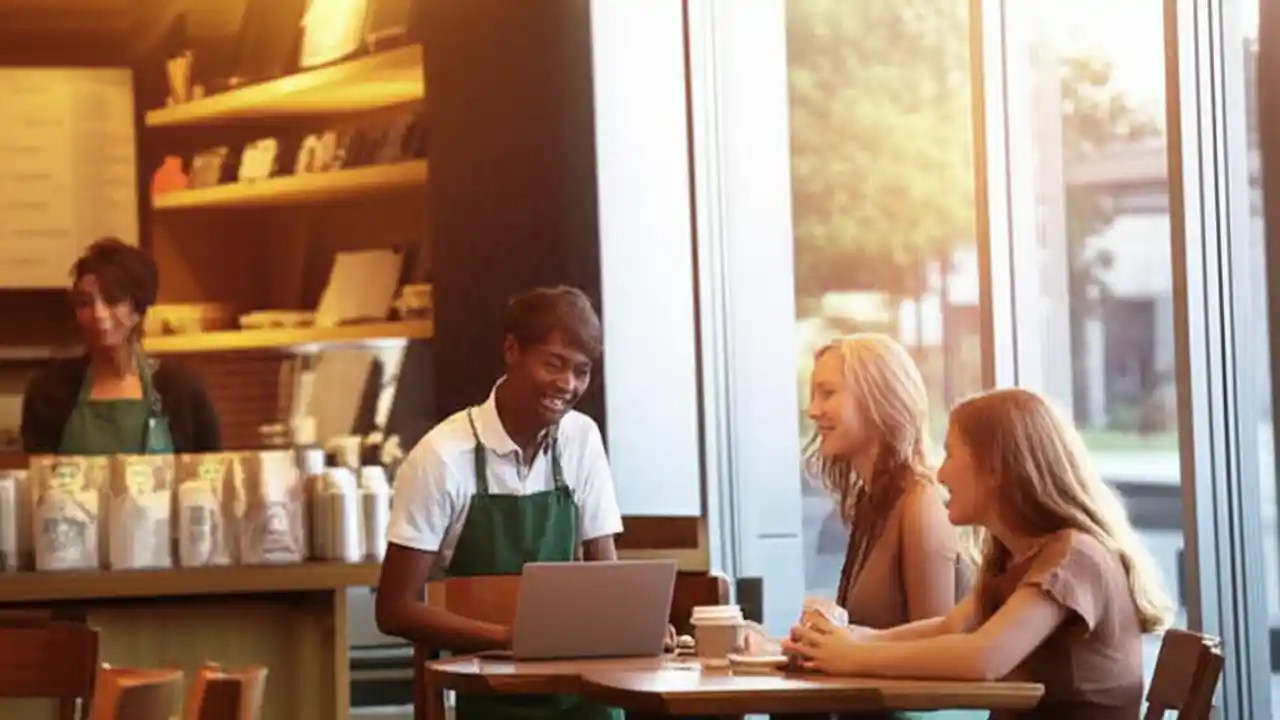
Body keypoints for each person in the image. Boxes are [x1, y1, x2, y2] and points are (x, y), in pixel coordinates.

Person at [784, 388, 1173, 720]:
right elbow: (950, 627)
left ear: (995, 468)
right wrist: (855, 639)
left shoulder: (1074, 557)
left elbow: (985, 657)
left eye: (951, 454)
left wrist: (852, 657)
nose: (940, 474)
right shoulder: (1014, 556)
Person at [376, 285, 625, 720]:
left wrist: (632, 626)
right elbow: (394, 608)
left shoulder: (581, 438)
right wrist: (508, 637)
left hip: (584, 692)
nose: (567, 385)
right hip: (491, 697)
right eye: (554, 363)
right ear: (512, 349)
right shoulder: (441, 457)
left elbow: (605, 572)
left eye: (581, 371)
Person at [748, 333, 972, 720]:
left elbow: (937, 647)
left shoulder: (920, 505)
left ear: (877, 399)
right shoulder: (872, 503)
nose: (813, 410)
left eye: (827, 393)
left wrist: (840, 648)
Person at [21, 238, 220, 455]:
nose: (99, 314)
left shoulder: (182, 390)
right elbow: (39, 480)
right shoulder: (49, 391)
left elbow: (210, 473)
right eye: (85, 303)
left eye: (112, 300)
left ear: (138, 308)